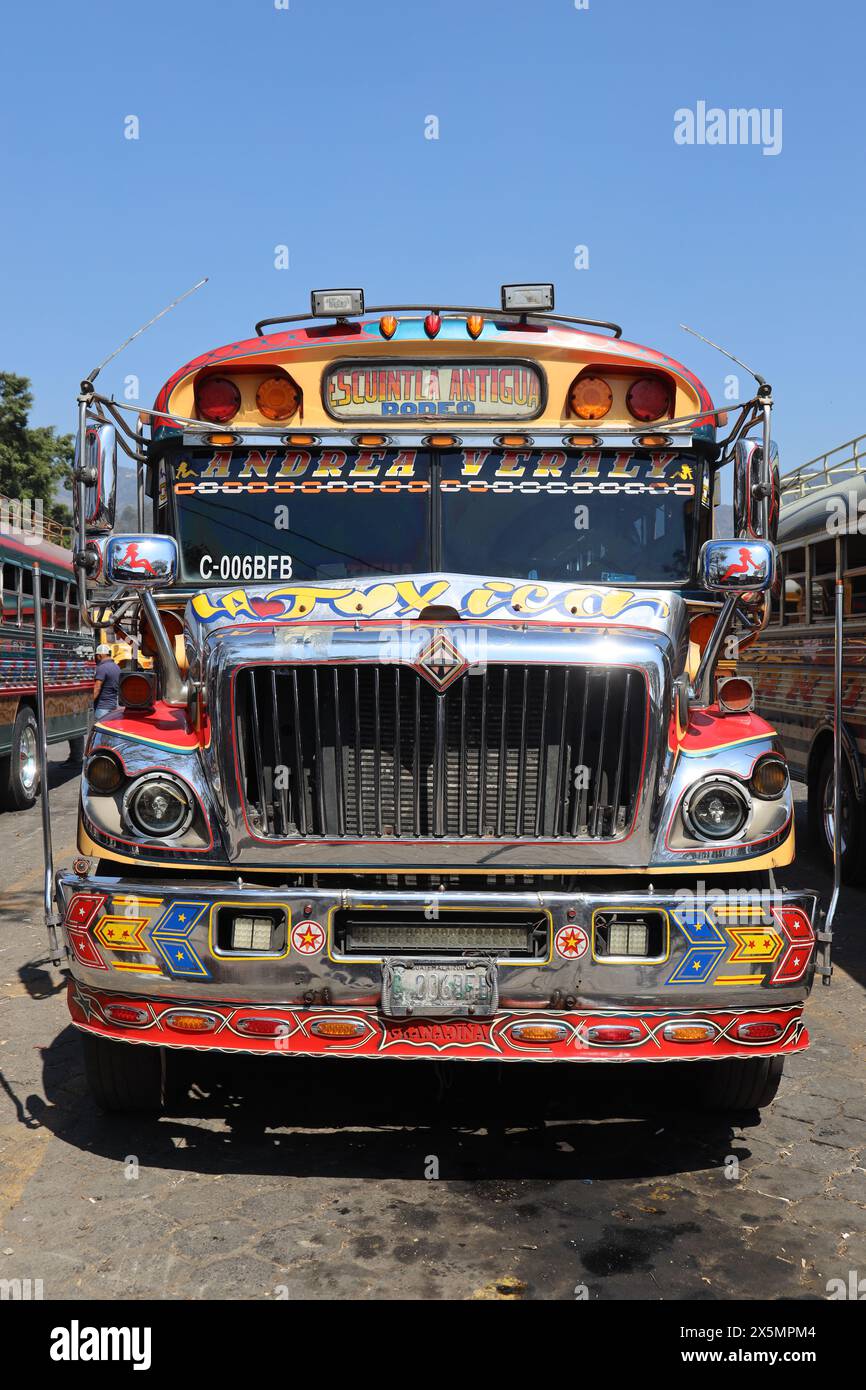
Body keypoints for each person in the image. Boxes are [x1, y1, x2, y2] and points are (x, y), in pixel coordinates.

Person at [93, 643, 121, 720]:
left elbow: (97, 688)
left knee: (99, 730)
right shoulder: (117, 667)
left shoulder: (102, 668)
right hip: (113, 707)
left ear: (100, 656)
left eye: (97, 656)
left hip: (102, 708)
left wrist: (88, 703)